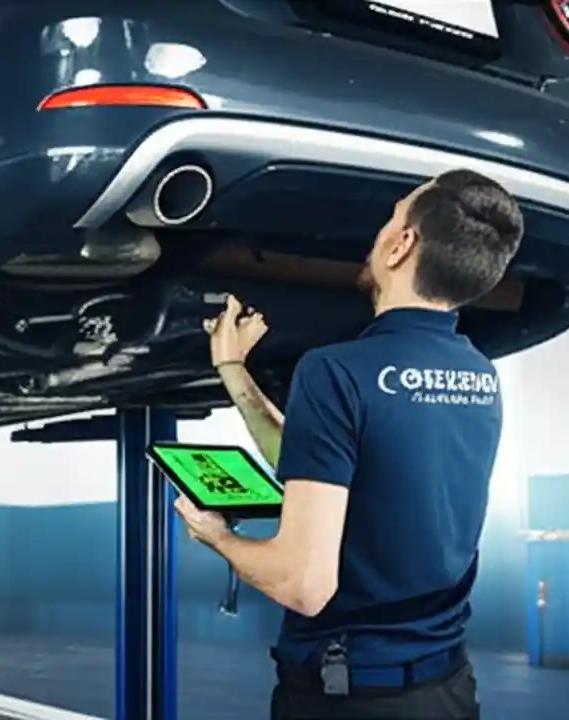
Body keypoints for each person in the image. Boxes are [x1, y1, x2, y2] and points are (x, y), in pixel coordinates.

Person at [176, 169, 524, 720]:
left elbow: (303, 584)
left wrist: (217, 537)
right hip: (448, 691)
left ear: (400, 244)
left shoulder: (336, 372)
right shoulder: (479, 375)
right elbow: (313, 460)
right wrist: (232, 369)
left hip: (353, 699)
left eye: (394, 214)